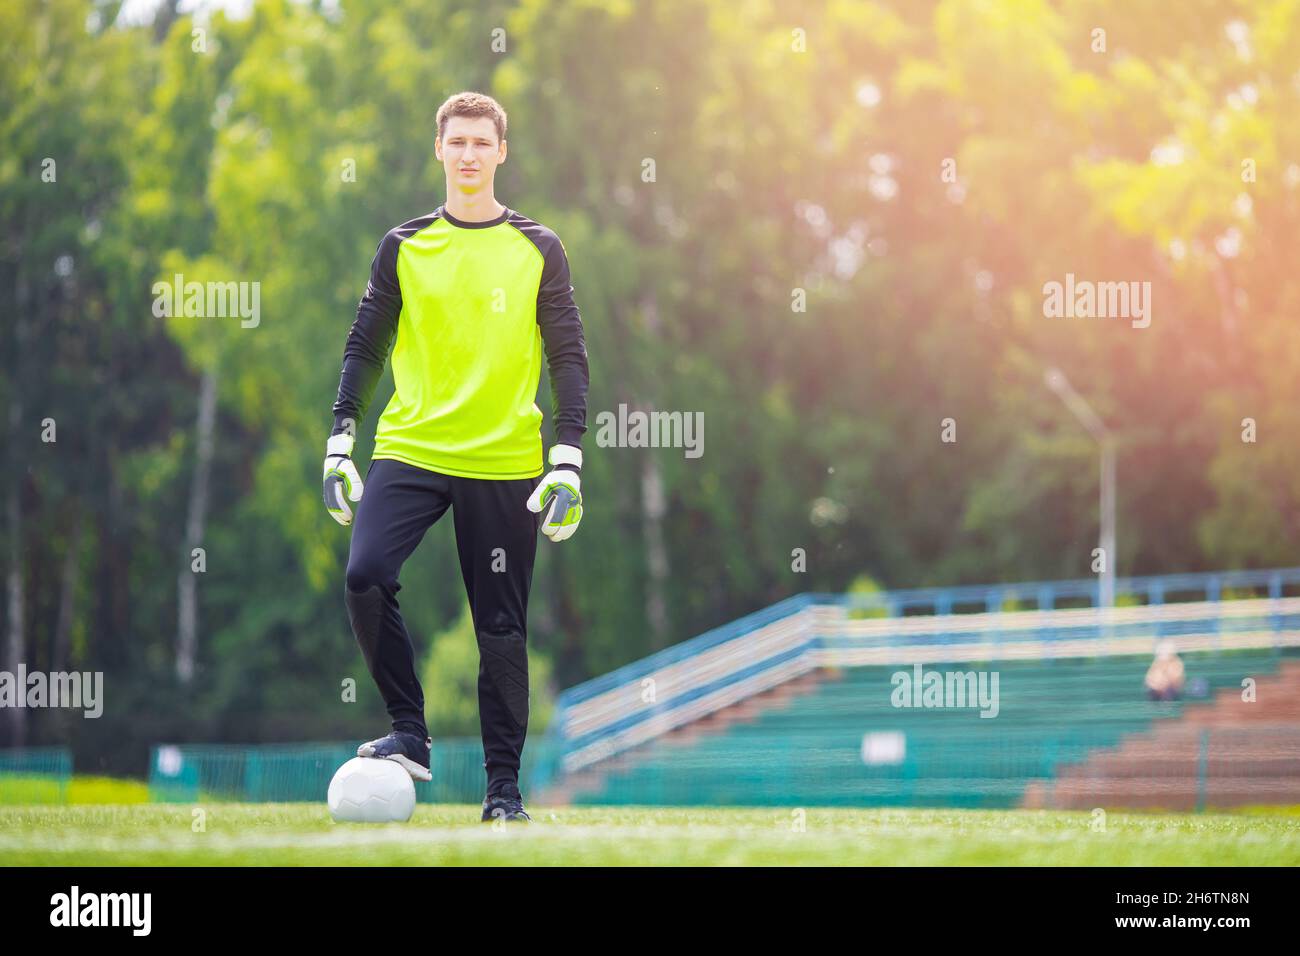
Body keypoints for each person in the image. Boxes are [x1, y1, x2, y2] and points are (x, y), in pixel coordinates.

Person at [322, 91, 589, 823]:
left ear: (501, 153)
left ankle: (503, 794)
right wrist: (341, 434)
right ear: (438, 149)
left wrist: (567, 456)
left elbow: (568, 355)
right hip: (410, 446)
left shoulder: (540, 248)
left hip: (505, 459)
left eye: (482, 142)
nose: (469, 153)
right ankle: (411, 729)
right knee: (366, 574)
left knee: (500, 629)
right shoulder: (403, 247)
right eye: (457, 141)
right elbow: (365, 345)